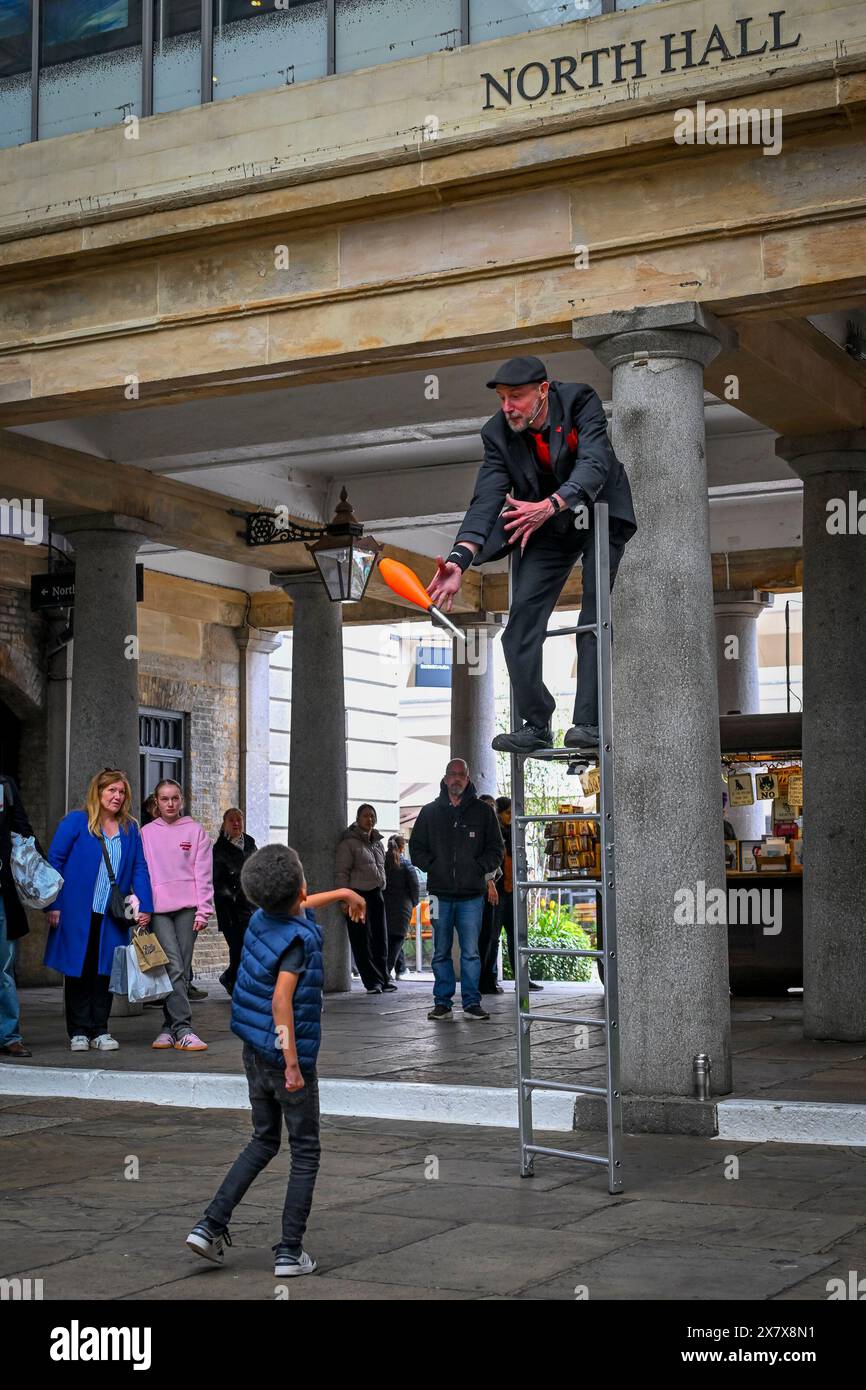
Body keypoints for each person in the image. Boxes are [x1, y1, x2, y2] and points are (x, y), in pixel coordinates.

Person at [427, 356, 637, 754]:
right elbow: (486, 500)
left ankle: (588, 723)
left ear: (543, 390)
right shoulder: (497, 433)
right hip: (545, 525)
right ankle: (536, 722)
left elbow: (596, 462)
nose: (508, 407)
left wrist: (552, 503)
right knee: (519, 627)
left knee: (593, 617)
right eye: (503, 398)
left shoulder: (579, 401)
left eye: (517, 397)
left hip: (597, 510)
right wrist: (460, 560)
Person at [185, 843, 365, 1277]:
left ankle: (209, 1226)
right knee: (305, 1150)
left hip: (252, 1052)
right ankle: (289, 1251)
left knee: (263, 1140)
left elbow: (299, 903)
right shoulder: (299, 940)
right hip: (286, 1056)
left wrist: (343, 893)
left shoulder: (262, 920)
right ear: (299, 887)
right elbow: (282, 1002)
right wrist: (291, 1063)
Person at [45, 769, 153, 1051]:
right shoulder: (76, 822)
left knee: (105, 970)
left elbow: (140, 867)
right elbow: (54, 861)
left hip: (112, 914)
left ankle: (100, 1029)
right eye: (112, 791)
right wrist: (53, 904)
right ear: (99, 792)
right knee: (78, 969)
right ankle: (78, 1031)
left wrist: (145, 904)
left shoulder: (130, 828)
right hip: (76, 911)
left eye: (121, 792)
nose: (117, 797)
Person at [409, 759, 504, 1022]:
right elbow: (416, 848)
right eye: (452, 774)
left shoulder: (483, 813)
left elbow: (497, 849)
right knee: (440, 951)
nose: (456, 779)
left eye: (461, 774)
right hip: (438, 894)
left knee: (471, 952)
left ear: (468, 778)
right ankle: (442, 1003)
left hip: (472, 895)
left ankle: (472, 1002)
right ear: (445, 778)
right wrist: (433, 866)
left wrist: (478, 868)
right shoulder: (429, 812)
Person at [140, 779, 214, 1051]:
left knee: (180, 968)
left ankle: (168, 1027)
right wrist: (141, 905)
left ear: (181, 800)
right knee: (173, 966)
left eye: (174, 798)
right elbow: (142, 872)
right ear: (156, 803)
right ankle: (184, 1028)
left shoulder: (195, 831)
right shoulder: (146, 833)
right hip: (159, 910)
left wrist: (204, 909)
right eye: (164, 799)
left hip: (188, 908)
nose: (170, 804)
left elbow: (203, 873)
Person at [0, 772, 40, 1058]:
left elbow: (24, 830)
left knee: (4, 967)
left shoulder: (4, 785)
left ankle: (8, 1035)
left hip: (2, 892)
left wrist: (42, 873)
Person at [335, 804, 392, 994]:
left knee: (381, 938)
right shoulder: (349, 843)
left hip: (376, 893)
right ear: (358, 819)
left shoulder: (378, 842)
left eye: (373, 816)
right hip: (357, 895)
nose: (370, 819)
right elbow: (342, 873)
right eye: (366, 816)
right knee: (361, 940)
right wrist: (344, 899)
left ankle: (384, 977)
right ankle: (372, 982)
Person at [493, 795, 543, 993]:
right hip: (499, 892)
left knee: (518, 938)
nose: (511, 816)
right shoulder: (496, 834)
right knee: (493, 938)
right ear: (499, 814)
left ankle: (522, 978)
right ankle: (489, 979)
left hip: (513, 891)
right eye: (507, 813)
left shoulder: (515, 833)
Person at [213, 808, 257, 995]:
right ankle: (233, 979)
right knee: (237, 946)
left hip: (250, 905)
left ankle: (232, 978)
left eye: (239, 819)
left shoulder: (250, 843)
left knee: (248, 947)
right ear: (224, 824)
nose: (236, 823)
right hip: (230, 907)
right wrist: (231, 895)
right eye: (232, 820)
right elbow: (216, 880)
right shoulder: (219, 848)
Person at [477, 795, 503, 995]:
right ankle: (482, 980)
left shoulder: (493, 831)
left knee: (491, 937)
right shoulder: (479, 832)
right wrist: (489, 882)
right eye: (486, 807)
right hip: (481, 890)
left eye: (492, 807)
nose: (490, 811)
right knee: (483, 937)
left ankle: (487, 978)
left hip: (493, 887)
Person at [383, 834, 420, 981]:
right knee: (397, 938)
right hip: (402, 908)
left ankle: (401, 968)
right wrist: (414, 902)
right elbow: (415, 886)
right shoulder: (405, 864)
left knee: (390, 939)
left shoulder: (382, 862)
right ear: (403, 847)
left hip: (384, 906)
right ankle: (386, 971)